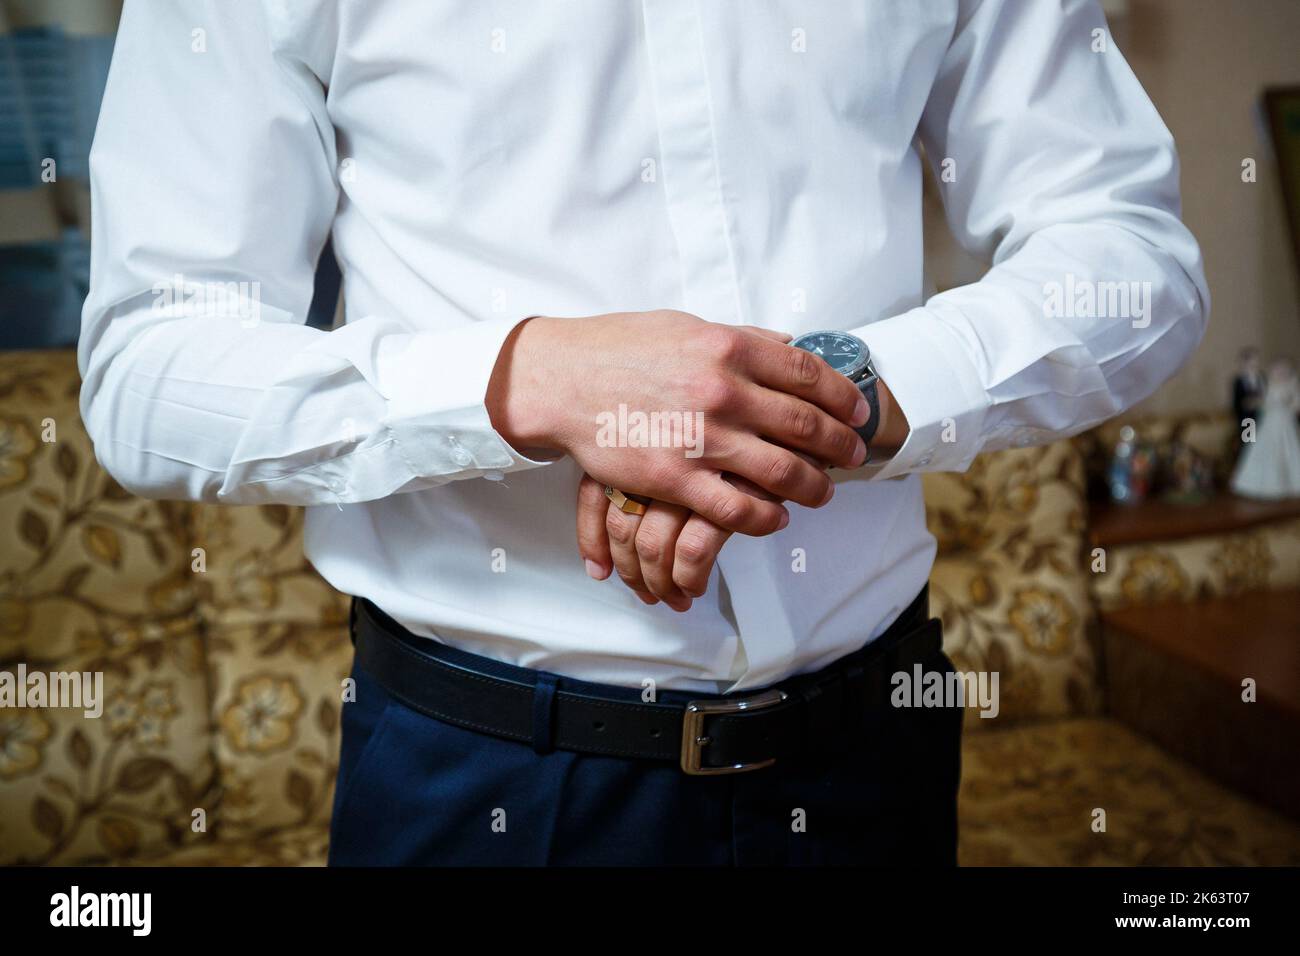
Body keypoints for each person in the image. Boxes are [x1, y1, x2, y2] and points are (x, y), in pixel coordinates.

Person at [80, 0, 1208, 866]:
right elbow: (151, 361)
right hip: (483, 784)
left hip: (876, 758)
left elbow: (1128, 252)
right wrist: (526, 381)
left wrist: (832, 395)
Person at [1232, 358, 1300, 500]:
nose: (1279, 373)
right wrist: (1254, 404)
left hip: (1285, 422)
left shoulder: (1291, 386)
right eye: (1277, 370)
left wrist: (1288, 404)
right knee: (1263, 449)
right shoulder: (1267, 386)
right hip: (1268, 422)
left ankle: (1288, 483)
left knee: (1288, 449)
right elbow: (1263, 403)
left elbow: (1296, 405)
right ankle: (1259, 484)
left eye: (1282, 371)